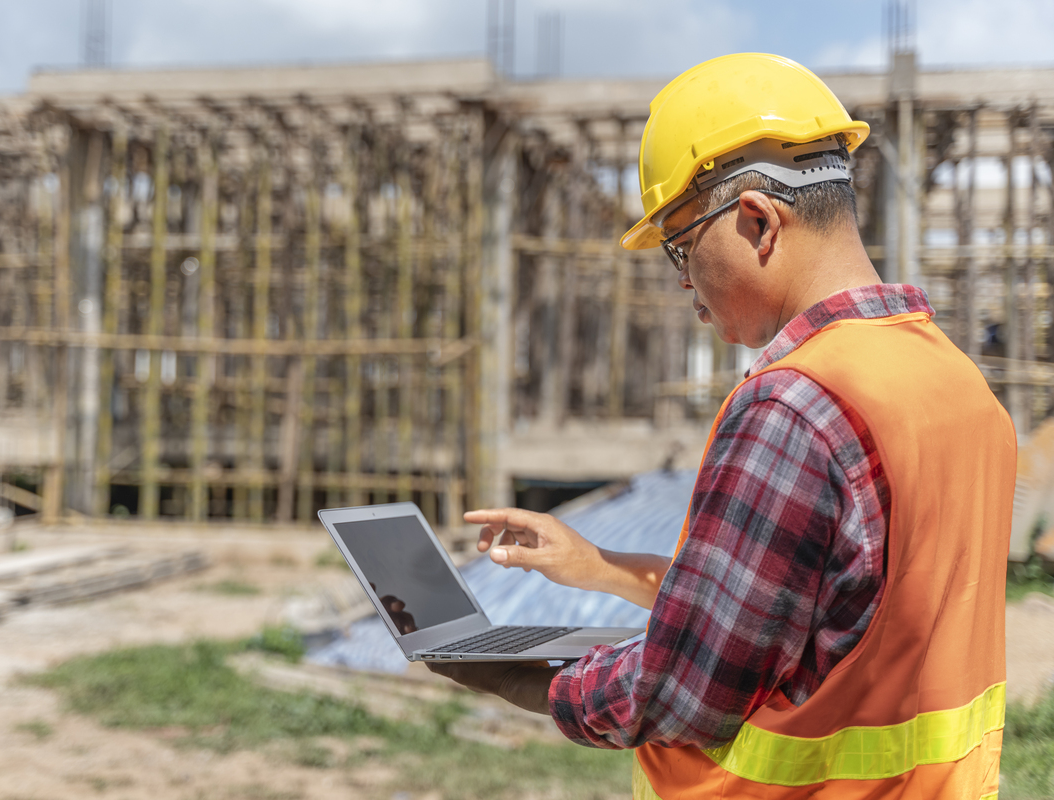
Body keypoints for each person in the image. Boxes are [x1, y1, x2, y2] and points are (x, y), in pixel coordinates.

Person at [428, 52, 1016, 799]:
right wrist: (601, 567)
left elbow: (686, 692)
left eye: (681, 245)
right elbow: (824, 613)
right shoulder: (955, 382)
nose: (682, 280)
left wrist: (516, 676)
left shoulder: (794, 406)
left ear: (756, 221)